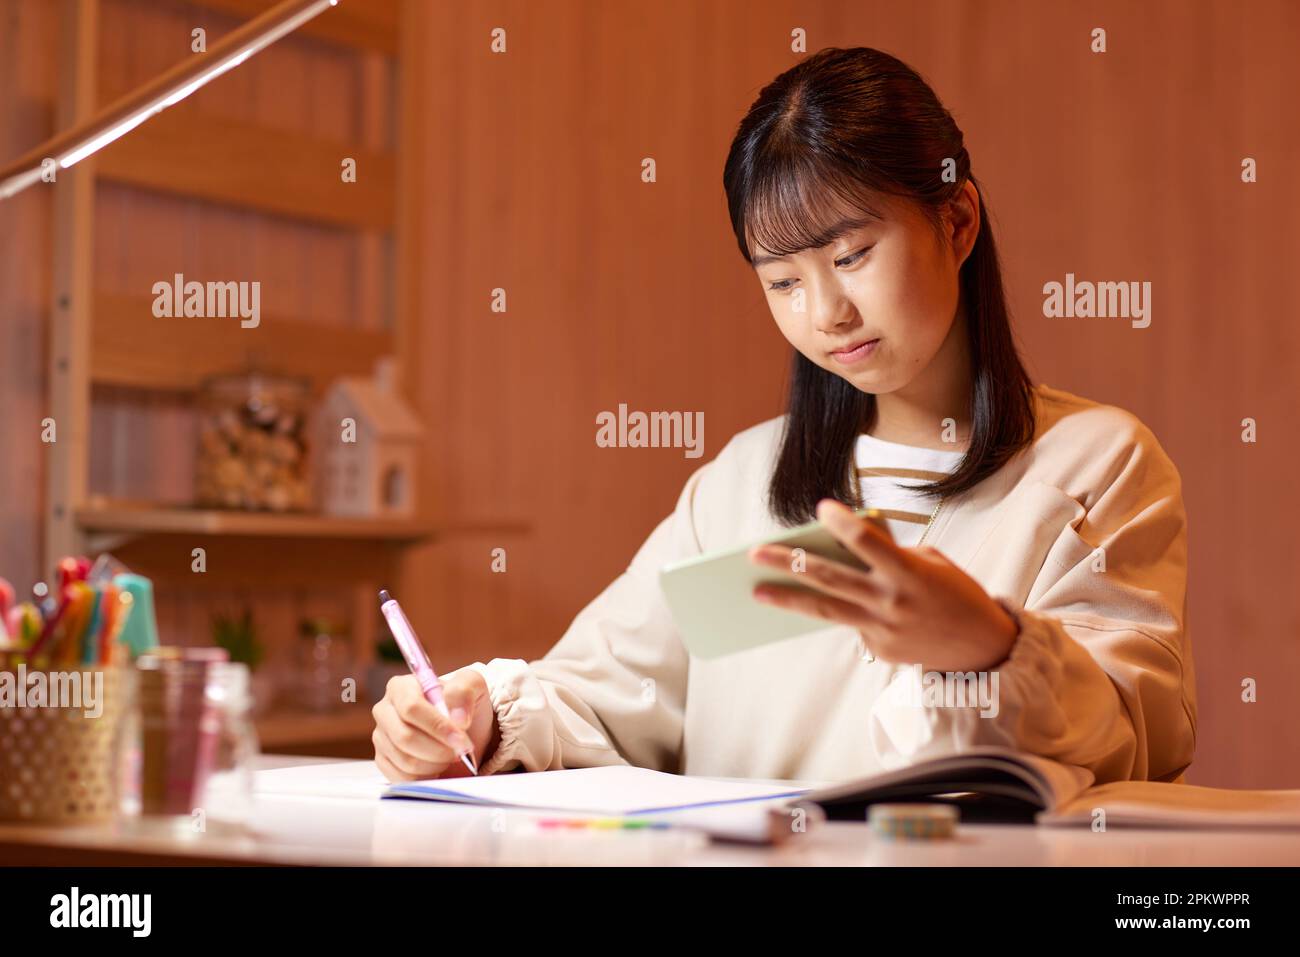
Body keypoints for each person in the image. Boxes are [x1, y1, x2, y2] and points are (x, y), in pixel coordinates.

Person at [372, 47, 1196, 786]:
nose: (826, 312)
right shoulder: (742, 484)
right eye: (783, 281)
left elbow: (1137, 729)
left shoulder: (1094, 464)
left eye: (851, 256)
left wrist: (988, 644)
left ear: (958, 220)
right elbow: (608, 688)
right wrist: (478, 716)